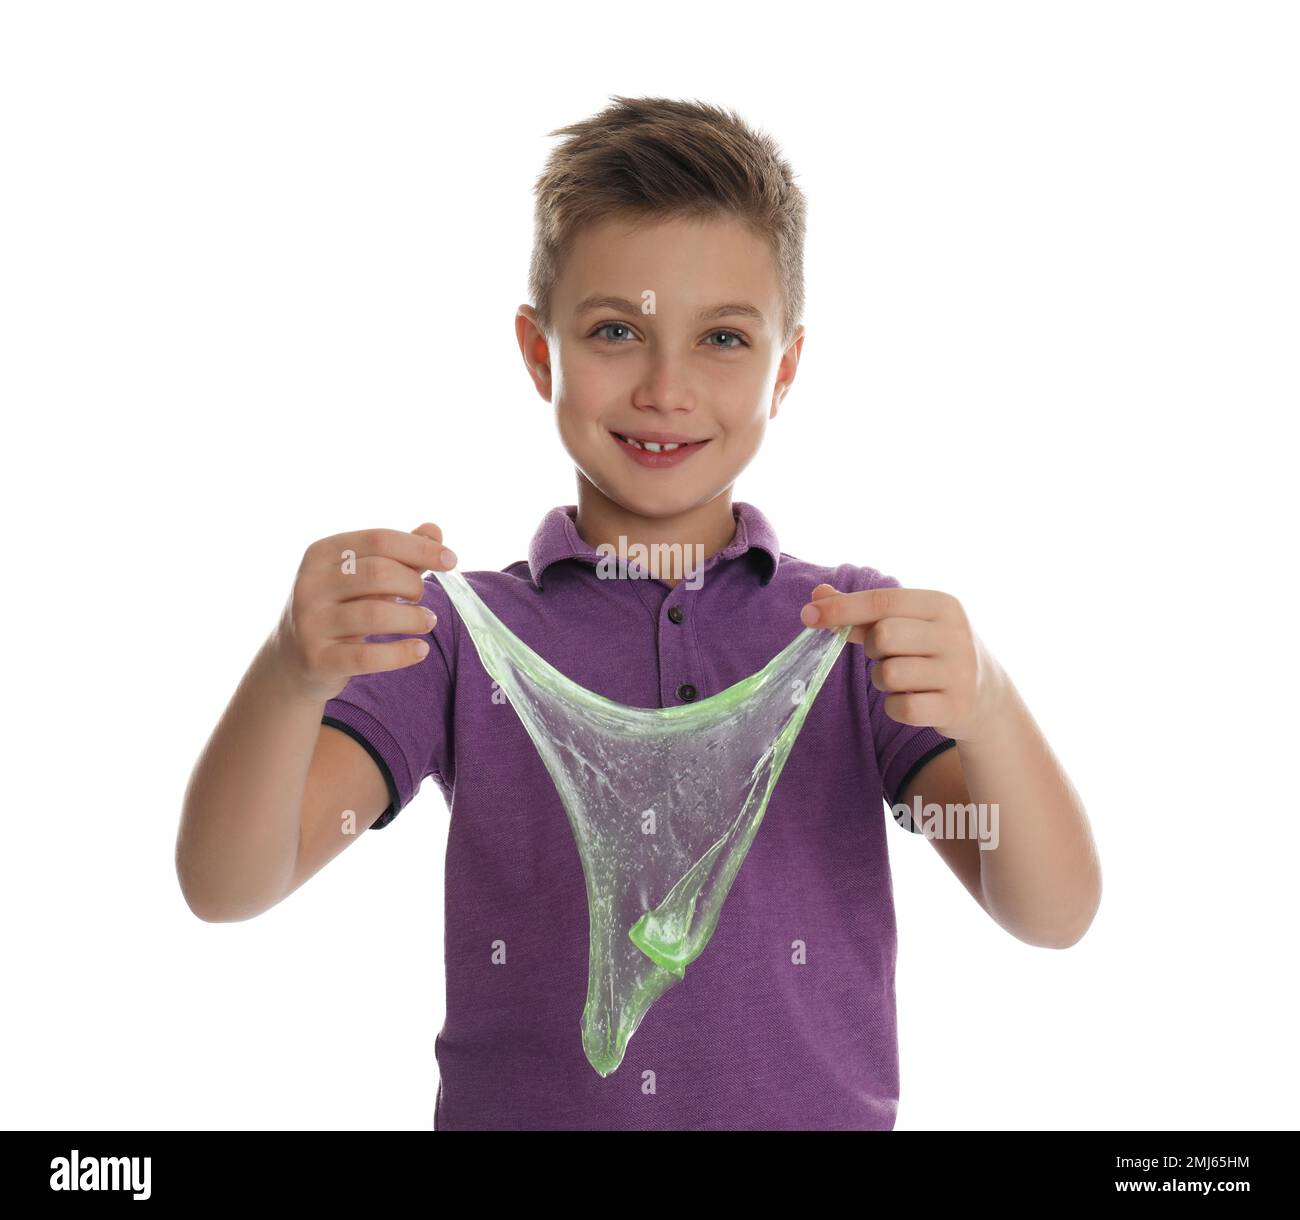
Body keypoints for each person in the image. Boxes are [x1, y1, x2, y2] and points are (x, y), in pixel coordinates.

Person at [176, 94, 1101, 1131]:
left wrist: (993, 702)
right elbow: (226, 881)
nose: (667, 388)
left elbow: (1053, 909)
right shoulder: (455, 636)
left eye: (722, 338)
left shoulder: (846, 633)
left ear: (784, 368)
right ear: (540, 353)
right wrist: (286, 671)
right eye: (617, 330)